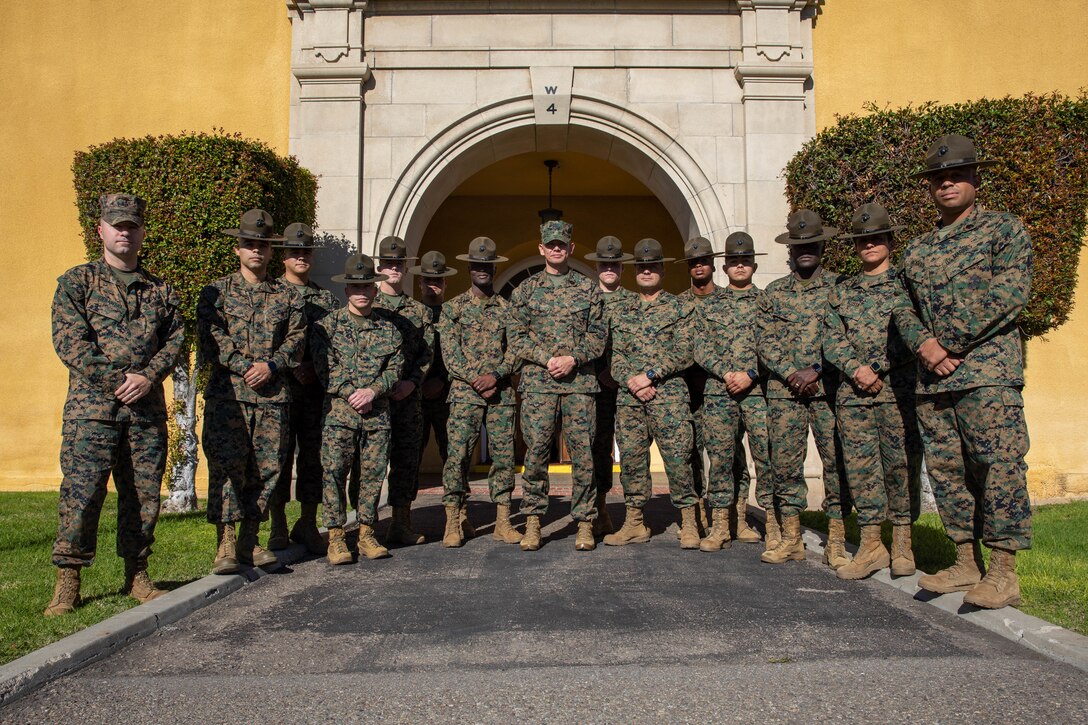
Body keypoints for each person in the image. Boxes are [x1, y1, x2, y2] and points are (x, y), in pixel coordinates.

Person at [894, 135, 1032, 609]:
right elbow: (902, 307)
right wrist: (926, 346)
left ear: (975, 177)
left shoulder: (1004, 231)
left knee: (998, 467)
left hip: (987, 376)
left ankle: (1004, 572)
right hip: (934, 382)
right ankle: (966, 561)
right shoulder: (917, 250)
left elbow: (1011, 292)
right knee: (949, 471)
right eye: (937, 177)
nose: (946, 182)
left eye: (955, 174)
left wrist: (947, 341)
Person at [45, 193, 184, 615]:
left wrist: (147, 376)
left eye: (132, 225)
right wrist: (117, 379)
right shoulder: (77, 282)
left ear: (142, 232)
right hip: (92, 412)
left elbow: (175, 341)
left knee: (142, 496)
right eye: (116, 225)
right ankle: (68, 581)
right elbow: (70, 342)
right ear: (101, 230)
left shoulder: (160, 290)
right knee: (82, 494)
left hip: (144, 412)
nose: (124, 232)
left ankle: (137, 574)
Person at [197, 209, 306, 574]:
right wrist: (246, 367)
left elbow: (297, 339)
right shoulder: (216, 292)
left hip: (272, 397)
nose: (255, 250)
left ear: (272, 250)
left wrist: (271, 366)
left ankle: (251, 538)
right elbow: (212, 338)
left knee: (268, 470)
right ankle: (226, 543)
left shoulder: (287, 296)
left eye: (262, 245)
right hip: (229, 396)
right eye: (249, 244)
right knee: (228, 468)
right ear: (238, 249)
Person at [824, 204, 923, 580]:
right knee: (862, 469)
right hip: (854, 395)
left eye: (876, 238)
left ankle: (902, 543)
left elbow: (915, 331)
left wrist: (877, 368)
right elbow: (831, 337)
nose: (869, 245)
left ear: (889, 241)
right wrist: (856, 369)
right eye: (862, 240)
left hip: (897, 391)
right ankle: (870, 545)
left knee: (901, 464)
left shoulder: (906, 284)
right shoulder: (843, 290)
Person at [507, 220, 607, 551]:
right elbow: (516, 336)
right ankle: (534, 522)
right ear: (541, 248)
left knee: (583, 455)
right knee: (535, 453)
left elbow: (599, 336)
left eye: (561, 244)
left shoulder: (588, 288)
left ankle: (584, 523)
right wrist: (547, 357)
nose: (556, 249)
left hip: (579, 385)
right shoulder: (525, 291)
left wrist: (572, 358)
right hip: (539, 384)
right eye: (550, 244)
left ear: (570, 248)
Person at [758, 210, 850, 567]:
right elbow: (765, 341)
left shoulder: (842, 289)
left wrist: (816, 371)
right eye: (799, 245)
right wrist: (791, 374)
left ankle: (838, 540)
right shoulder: (773, 294)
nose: (805, 250)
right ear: (790, 250)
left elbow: (847, 337)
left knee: (836, 464)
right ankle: (792, 538)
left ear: (822, 246)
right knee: (784, 466)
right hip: (785, 395)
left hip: (829, 392)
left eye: (811, 243)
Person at [604, 238, 701, 549]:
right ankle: (634, 523)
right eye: (641, 267)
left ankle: (689, 521)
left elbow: (686, 351)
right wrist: (631, 381)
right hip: (630, 400)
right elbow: (615, 355)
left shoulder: (680, 307)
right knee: (632, 461)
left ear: (661, 269)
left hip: (668, 397)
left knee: (678, 460)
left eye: (652, 266)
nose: (646, 271)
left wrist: (648, 377)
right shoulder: (622, 309)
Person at [311, 254, 403, 564]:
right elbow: (327, 369)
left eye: (367, 285)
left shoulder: (390, 331)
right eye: (355, 286)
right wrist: (354, 394)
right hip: (340, 416)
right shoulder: (327, 327)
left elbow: (395, 368)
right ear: (347, 290)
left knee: (372, 476)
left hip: (377, 417)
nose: (362, 291)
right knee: (334, 474)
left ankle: (366, 533)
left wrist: (373, 391)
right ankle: (336, 537)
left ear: (376, 289)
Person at [687, 232, 773, 551]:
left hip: (758, 391)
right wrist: (726, 372)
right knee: (721, 458)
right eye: (733, 261)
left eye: (745, 261)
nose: (739, 266)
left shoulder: (767, 302)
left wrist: (750, 374)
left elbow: (776, 345)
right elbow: (699, 345)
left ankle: (768, 524)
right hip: (719, 390)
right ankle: (721, 525)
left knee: (764, 455)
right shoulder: (711, 304)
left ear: (753, 265)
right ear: (724, 268)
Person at [439, 237, 522, 547]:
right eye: (477, 264)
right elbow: (450, 352)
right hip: (464, 394)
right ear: (469, 267)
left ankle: (502, 520)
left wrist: (497, 375)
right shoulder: (453, 309)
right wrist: (477, 378)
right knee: (457, 456)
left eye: (488, 265)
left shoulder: (507, 309)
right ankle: (454, 519)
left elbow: (516, 349)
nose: (483, 269)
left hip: (500, 394)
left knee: (503, 456)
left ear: (493, 267)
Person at [267, 222, 339, 555]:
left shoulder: (325, 299)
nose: (301, 257)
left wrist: (315, 369)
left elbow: (335, 345)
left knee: (314, 460)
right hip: (279, 390)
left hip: (314, 392)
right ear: (284, 256)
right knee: (278, 460)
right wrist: (292, 366)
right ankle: (278, 526)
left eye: (306, 251)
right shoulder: (270, 294)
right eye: (295, 251)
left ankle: (308, 523)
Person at [372, 236, 434, 546]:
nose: (394, 268)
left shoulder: (418, 311)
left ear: (406, 269)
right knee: (369, 463)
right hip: (374, 402)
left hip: (408, 399)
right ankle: (366, 528)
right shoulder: (367, 303)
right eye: (389, 263)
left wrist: (411, 383)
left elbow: (426, 355)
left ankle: (401, 521)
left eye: (399, 263)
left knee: (406, 461)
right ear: (379, 266)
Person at [584, 235, 635, 537]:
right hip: (594, 386)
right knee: (597, 448)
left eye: (614, 263)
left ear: (621, 268)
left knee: (631, 450)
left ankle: (634, 516)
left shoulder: (632, 301)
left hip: (626, 385)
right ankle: (599, 509)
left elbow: (639, 341)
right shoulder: (587, 299)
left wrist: (617, 373)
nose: (609, 268)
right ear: (596, 266)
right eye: (604, 263)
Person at [415, 252, 454, 472]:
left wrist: (442, 380)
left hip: (446, 395)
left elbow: (463, 354)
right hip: (415, 395)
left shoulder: (453, 315)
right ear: (420, 282)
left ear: (445, 283)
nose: (433, 284)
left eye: (437, 280)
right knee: (410, 455)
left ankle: (454, 504)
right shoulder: (410, 314)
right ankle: (405, 505)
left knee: (452, 455)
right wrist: (419, 382)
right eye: (428, 279)